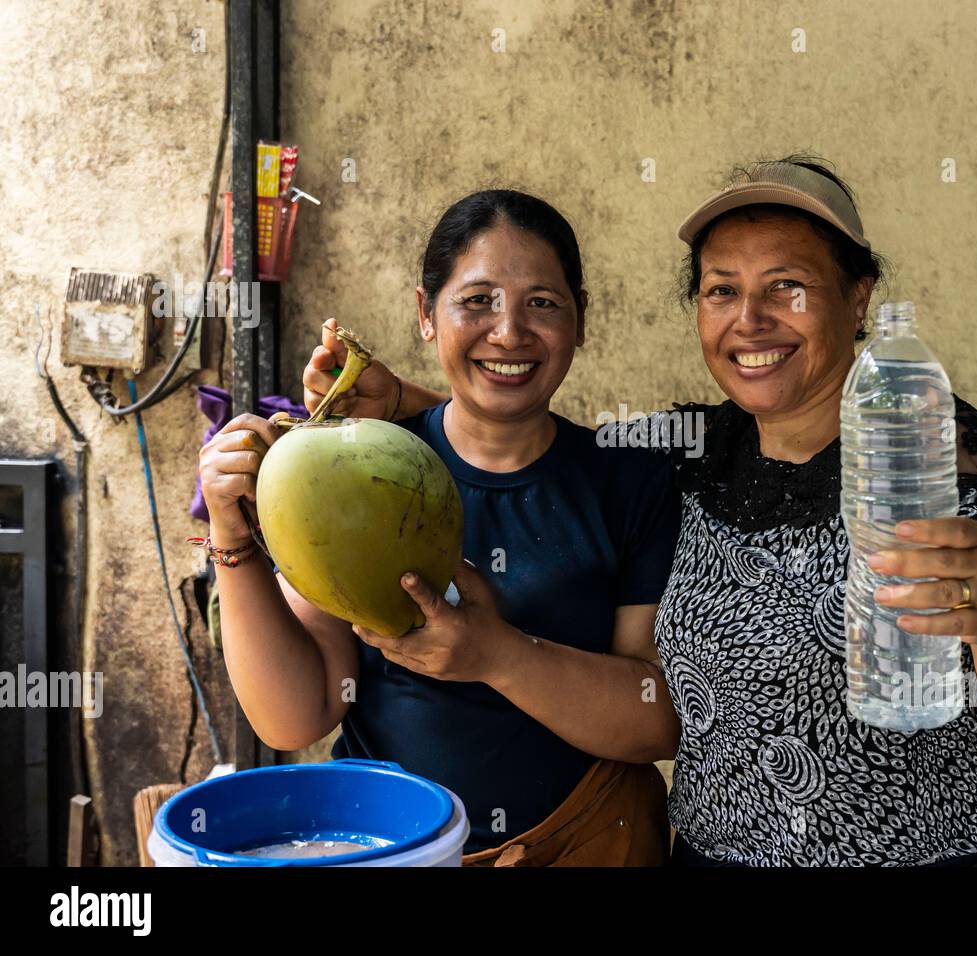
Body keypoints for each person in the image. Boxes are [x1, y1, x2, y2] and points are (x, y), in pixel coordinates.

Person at [307, 156, 977, 867]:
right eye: (723, 289)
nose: (750, 320)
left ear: (858, 297)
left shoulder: (944, 453)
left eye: (786, 288)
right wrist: (405, 403)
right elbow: (532, 436)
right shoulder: (681, 452)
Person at [198, 190, 680, 865]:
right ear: (426, 315)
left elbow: (659, 719)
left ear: (580, 320)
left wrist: (498, 655)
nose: (509, 332)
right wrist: (234, 539)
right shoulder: (359, 469)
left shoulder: (631, 483)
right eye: (476, 300)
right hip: (388, 850)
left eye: (542, 302)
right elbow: (294, 715)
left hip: (584, 845)